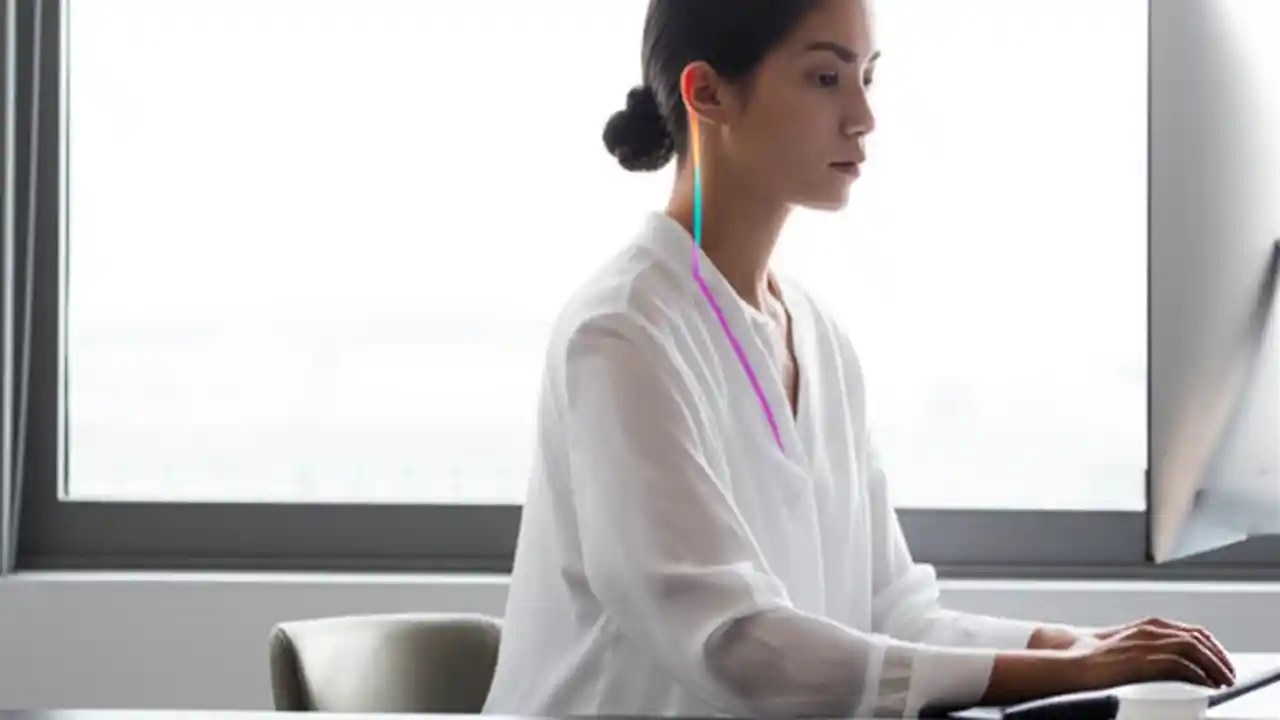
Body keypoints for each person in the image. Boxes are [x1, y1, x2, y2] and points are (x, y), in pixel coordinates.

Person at [480, 0, 1237, 716]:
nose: (864, 117)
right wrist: (1062, 672)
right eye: (824, 77)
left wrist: (1073, 645)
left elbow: (891, 610)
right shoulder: (620, 335)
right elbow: (732, 643)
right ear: (708, 92)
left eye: (867, 77)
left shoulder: (816, 337)